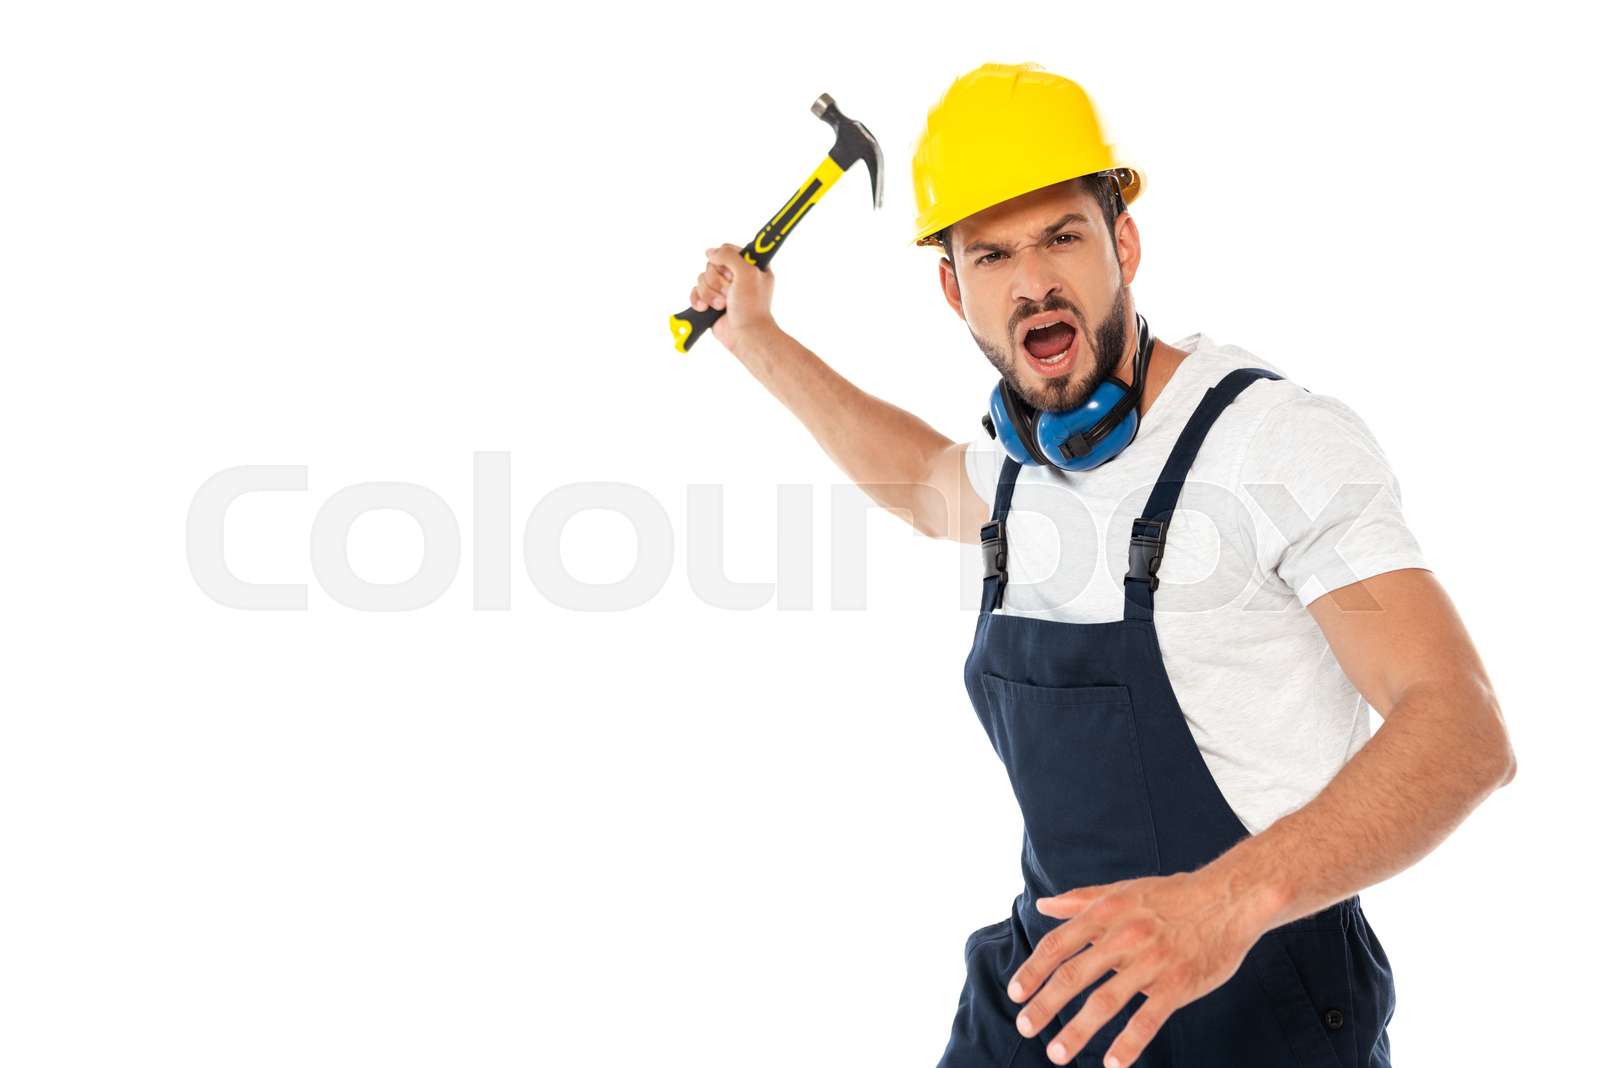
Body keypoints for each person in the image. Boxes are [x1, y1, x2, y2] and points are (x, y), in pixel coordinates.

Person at [682, 61, 1514, 1068]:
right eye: (990, 256)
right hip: (1042, 1002)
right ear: (953, 289)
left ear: (1122, 242)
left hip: (1251, 1018)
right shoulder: (1028, 461)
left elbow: (1462, 728)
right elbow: (924, 484)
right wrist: (755, 337)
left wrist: (1222, 905)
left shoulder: (1270, 443)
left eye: (1061, 237)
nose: (1031, 281)